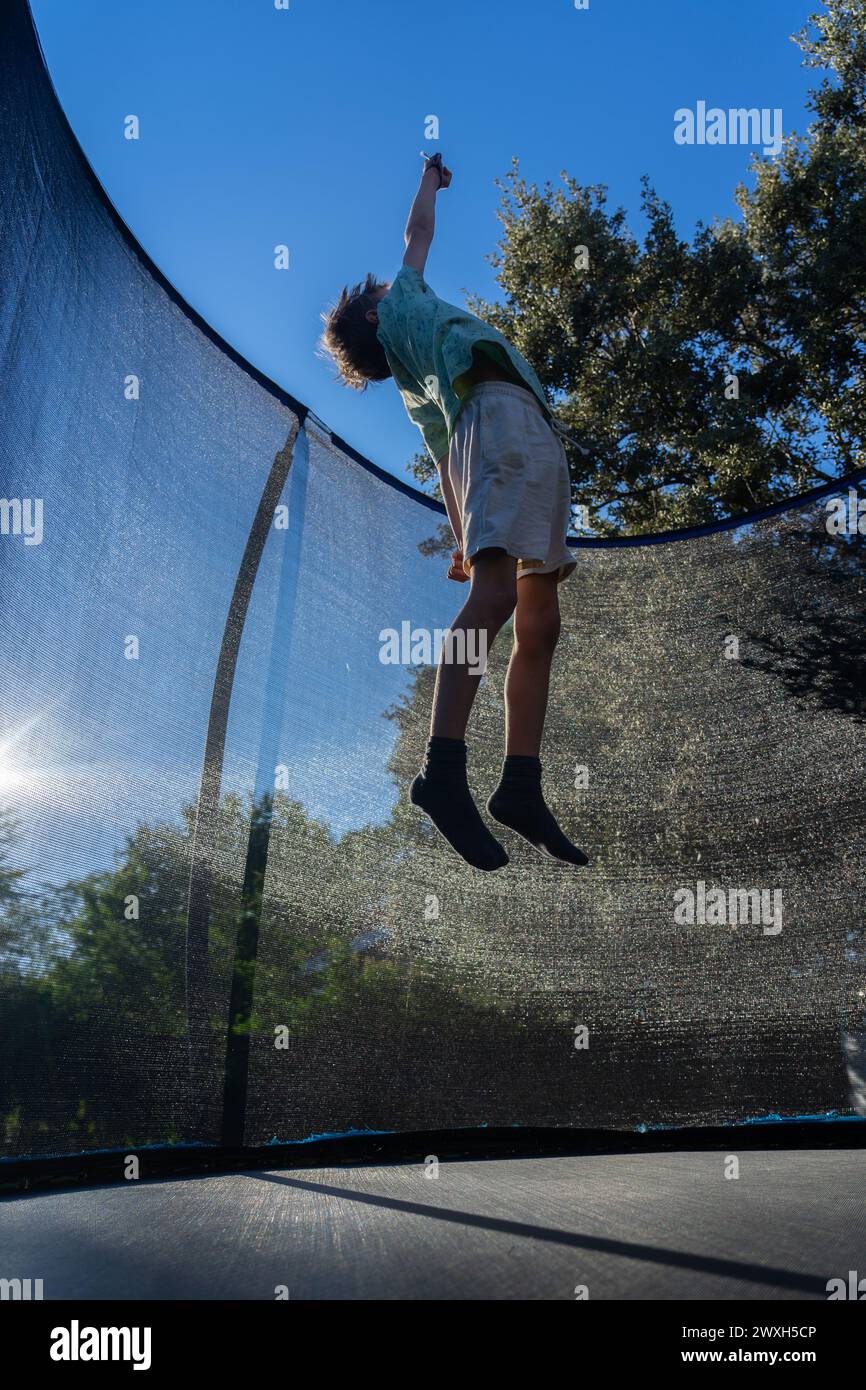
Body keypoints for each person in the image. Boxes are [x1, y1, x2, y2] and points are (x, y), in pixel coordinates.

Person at [320, 153, 588, 872]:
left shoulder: (422, 387)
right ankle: (442, 771)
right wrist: (428, 182)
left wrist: (464, 536)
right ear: (379, 309)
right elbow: (416, 234)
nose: (394, 276)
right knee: (496, 598)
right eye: (382, 286)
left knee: (540, 620)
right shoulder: (404, 305)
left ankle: (520, 786)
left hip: (529, 440)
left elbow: (445, 464)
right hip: (500, 426)